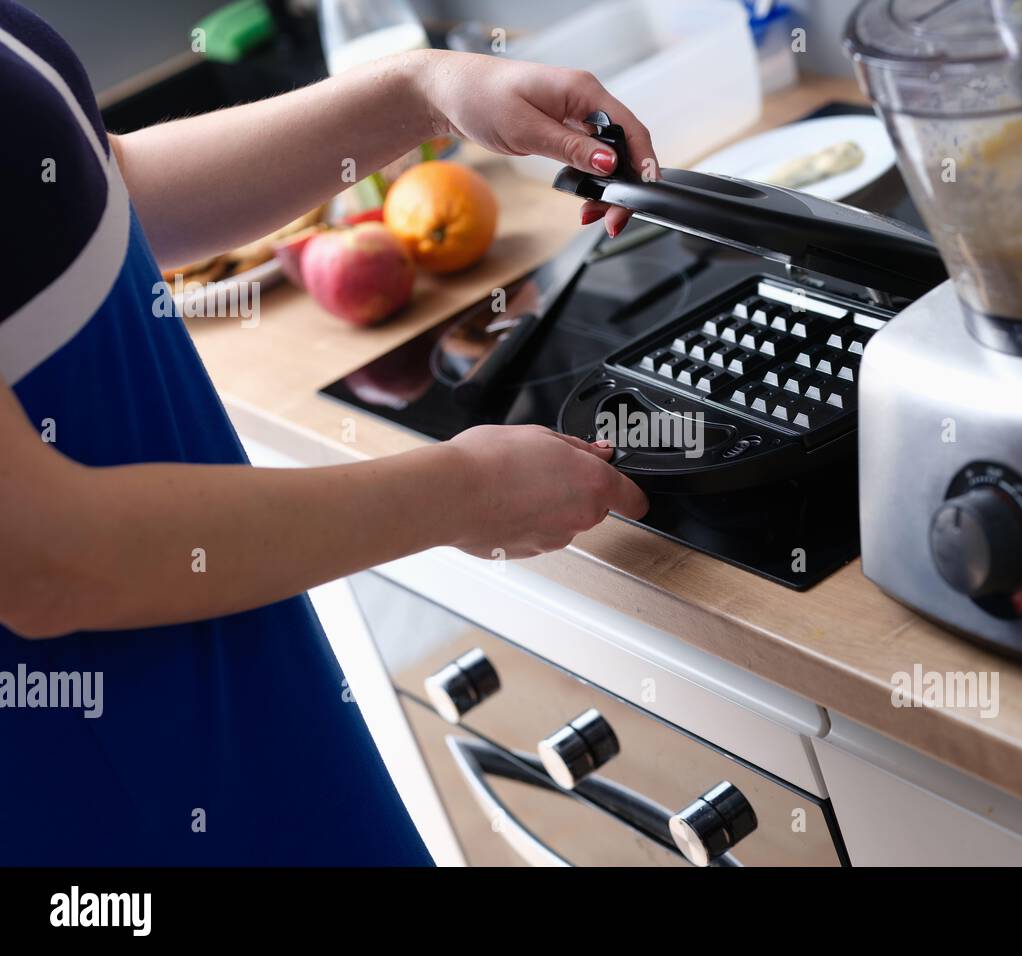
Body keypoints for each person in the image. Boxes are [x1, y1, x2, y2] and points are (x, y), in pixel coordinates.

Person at [0, 0, 652, 864]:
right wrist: (465, 493)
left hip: (238, 678)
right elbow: (47, 560)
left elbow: (101, 188)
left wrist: (421, 95)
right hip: (106, 780)